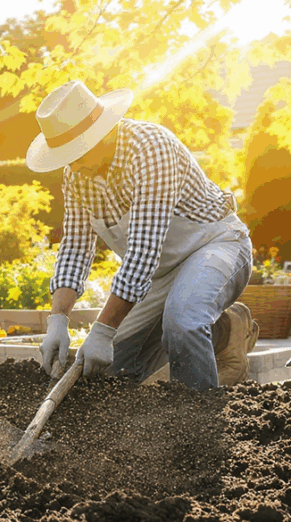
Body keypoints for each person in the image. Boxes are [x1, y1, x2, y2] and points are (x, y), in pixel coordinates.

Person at [27, 81, 258, 390]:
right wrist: (57, 320)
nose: (73, 166)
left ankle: (199, 420)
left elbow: (143, 251)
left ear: (102, 135)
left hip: (214, 246)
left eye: (77, 154)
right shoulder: (77, 175)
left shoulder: (151, 148)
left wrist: (103, 330)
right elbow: (75, 248)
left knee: (184, 323)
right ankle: (225, 334)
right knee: (108, 371)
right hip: (158, 274)